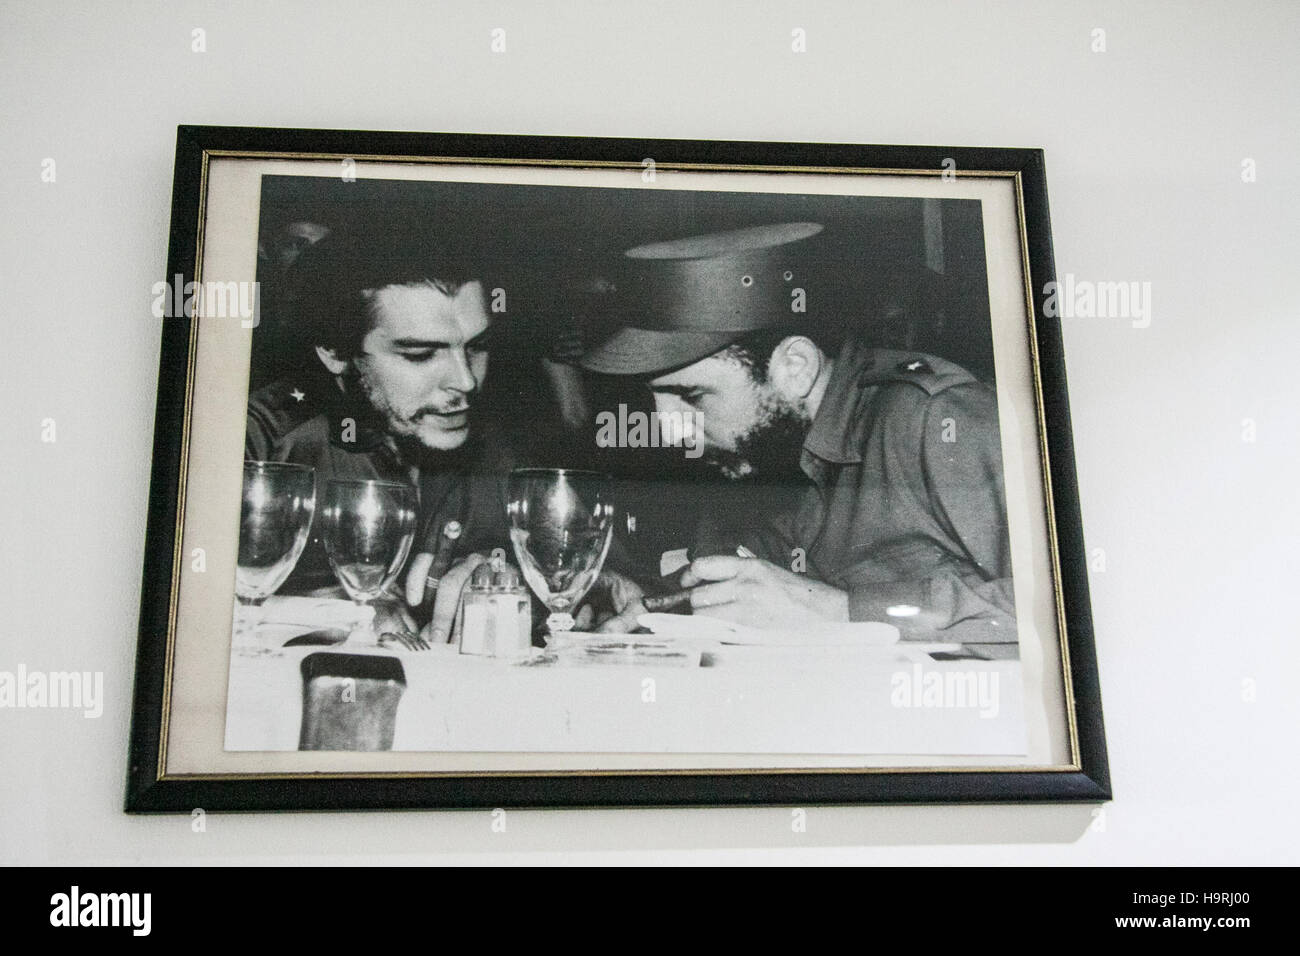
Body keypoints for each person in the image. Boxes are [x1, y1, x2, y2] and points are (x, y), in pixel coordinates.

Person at [577, 221, 1018, 658]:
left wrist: (843, 611)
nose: (671, 430)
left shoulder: (935, 420)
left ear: (796, 367)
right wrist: (650, 604)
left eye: (690, 396)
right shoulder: (762, 454)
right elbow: (764, 599)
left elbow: (1059, 608)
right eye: (655, 400)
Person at [245, 227, 512, 607]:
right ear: (335, 352)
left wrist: (520, 583)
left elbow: (592, 573)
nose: (466, 381)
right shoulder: (263, 438)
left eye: (477, 347)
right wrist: (329, 607)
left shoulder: (495, 445)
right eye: (420, 354)